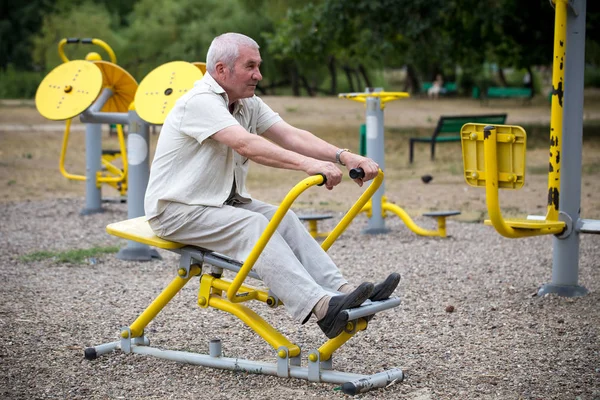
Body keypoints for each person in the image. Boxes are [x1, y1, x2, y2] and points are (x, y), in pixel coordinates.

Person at [144, 33, 400, 339]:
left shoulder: (246, 103)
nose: (259, 75)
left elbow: (291, 135)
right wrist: (308, 165)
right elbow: (246, 144)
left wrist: (344, 156)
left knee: (283, 218)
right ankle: (322, 308)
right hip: (176, 211)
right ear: (221, 70)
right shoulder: (199, 102)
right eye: (250, 66)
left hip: (219, 204)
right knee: (252, 226)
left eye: (258, 65)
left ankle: (344, 291)